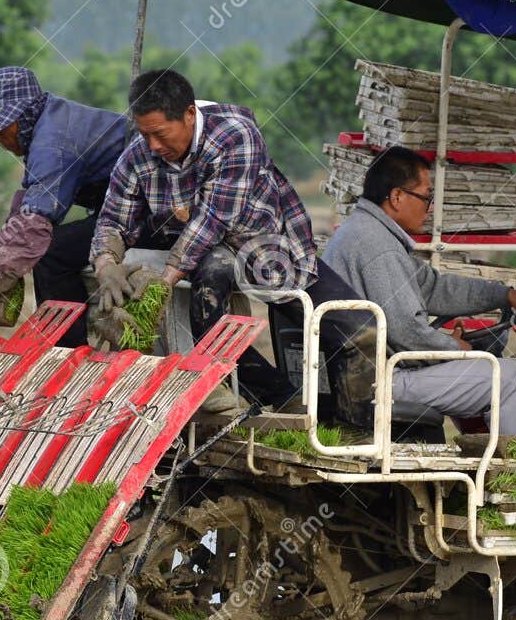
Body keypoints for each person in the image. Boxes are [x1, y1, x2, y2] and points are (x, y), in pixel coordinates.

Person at [90, 68, 362, 409]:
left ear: (189, 114)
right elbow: (113, 218)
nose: (153, 146)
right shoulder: (138, 155)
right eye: (145, 136)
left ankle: (355, 427)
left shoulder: (235, 135)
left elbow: (213, 219)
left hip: (266, 247)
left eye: (160, 134)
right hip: (203, 252)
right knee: (213, 273)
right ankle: (261, 391)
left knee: (357, 330)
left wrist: (163, 284)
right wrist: (106, 264)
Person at [322, 146, 516, 438]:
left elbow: (434, 288)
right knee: (507, 377)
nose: (429, 208)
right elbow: (405, 330)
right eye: (426, 197)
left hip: (365, 372)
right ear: (397, 197)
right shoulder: (377, 247)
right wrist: (455, 349)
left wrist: (504, 295)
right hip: (377, 382)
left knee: (486, 370)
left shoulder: (366, 232)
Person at [0, 67, 132, 347]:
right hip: (118, 209)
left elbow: (34, 227)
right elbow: (29, 207)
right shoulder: (50, 120)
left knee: (51, 253)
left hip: (147, 212)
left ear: (20, 119)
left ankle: (66, 353)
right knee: (50, 245)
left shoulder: (52, 145)